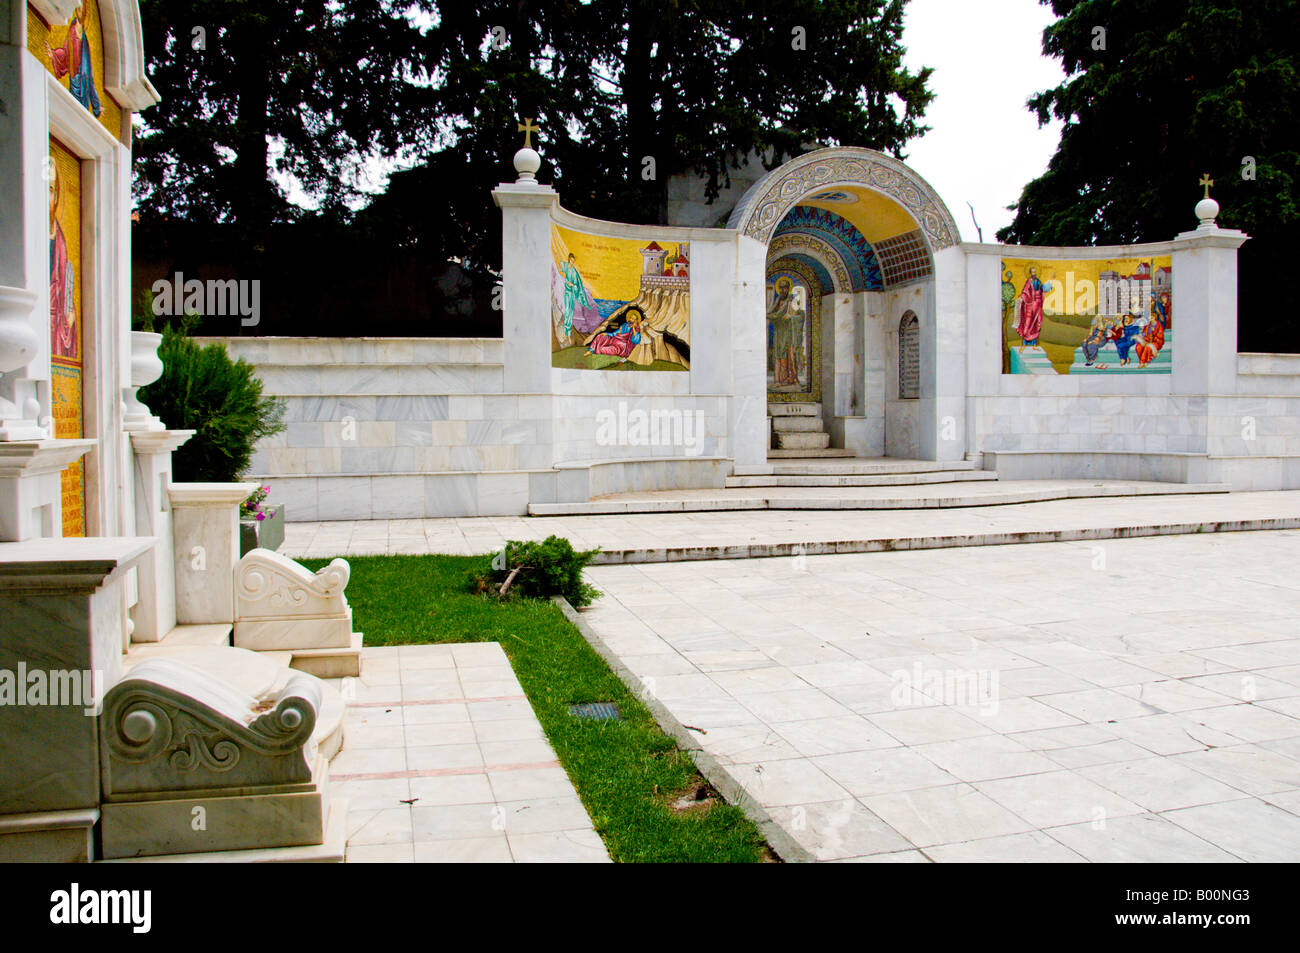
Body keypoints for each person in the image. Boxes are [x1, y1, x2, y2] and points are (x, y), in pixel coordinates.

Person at [46, 3, 101, 117]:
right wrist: (54, 54)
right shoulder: (72, 28)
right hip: (73, 80)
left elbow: (89, 76)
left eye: (82, 11)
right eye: (78, 10)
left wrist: (97, 105)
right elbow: (66, 53)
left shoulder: (85, 39)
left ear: (86, 13)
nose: (79, 13)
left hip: (82, 84)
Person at [49, 162, 77, 360]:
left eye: (50, 190)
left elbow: (68, 272)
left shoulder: (59, 237)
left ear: (57, 195)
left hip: (56, 316)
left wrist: (68, 309)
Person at [1015, 266, 1048, 346]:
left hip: (1038, 304)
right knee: (1028, 323)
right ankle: (1025, 343)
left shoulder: (1039, 282)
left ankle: (1034, 345)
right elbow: (1025, 291)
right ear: (1030, 273)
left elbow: (1043, 290)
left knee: (1037, 322)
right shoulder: (1028, 282)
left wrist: (1045, 289)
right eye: (1032, 272)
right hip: (1030, 305)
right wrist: (1022, 297)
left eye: (1035, 272)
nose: (1034, 274)